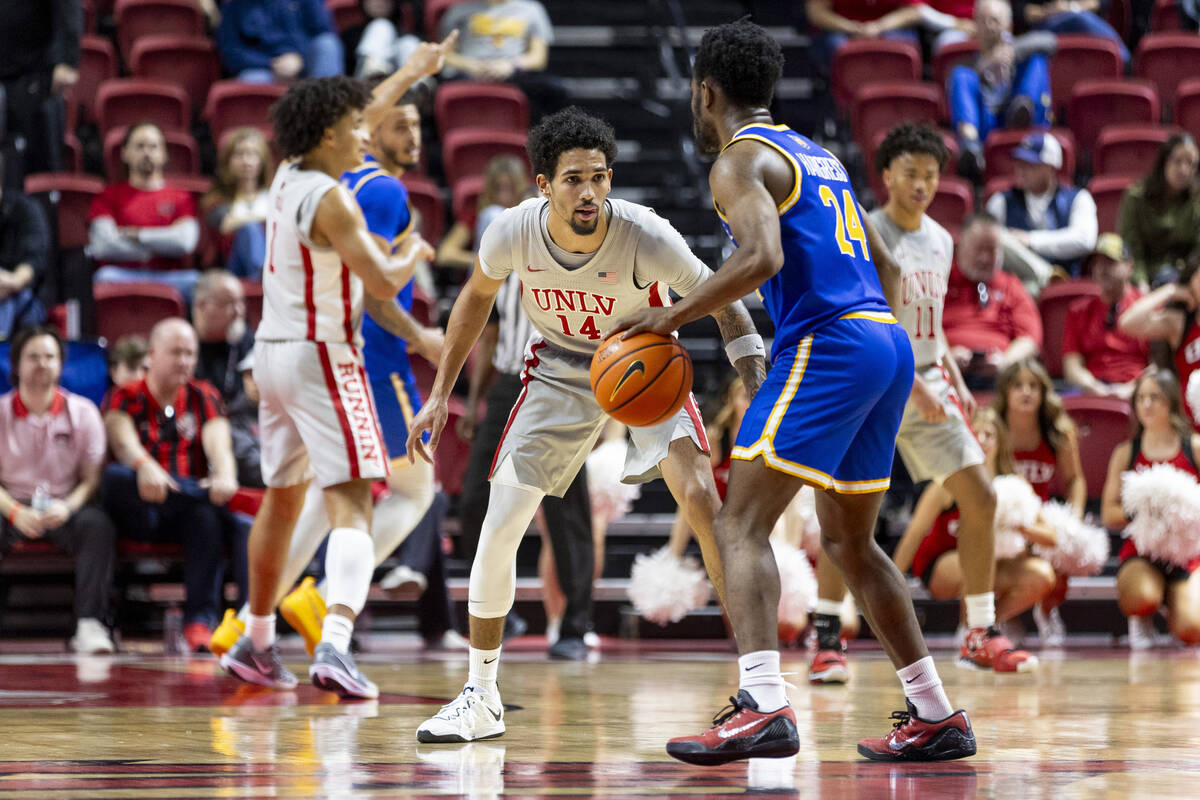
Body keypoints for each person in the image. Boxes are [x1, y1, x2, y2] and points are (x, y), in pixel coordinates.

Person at [610, 20, 976, 765]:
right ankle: (937, 714)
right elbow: (887, 263)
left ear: (704, 92)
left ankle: (763, 704)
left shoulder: (738, 161)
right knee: (849, 540)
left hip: (831, 343)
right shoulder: (819, 155)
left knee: (738, 524)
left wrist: (674, 314)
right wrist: (887, 342)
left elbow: (762, 254)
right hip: (884, 340)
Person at [406, 104, 765, 743]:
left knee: (704, 502)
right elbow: (473, 304)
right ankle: (480, 695)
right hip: (558, 371)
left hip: (642, 361)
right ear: (543, 185)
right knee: (501, 521)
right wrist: (440, 393)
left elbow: (726, 303)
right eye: (575, 178)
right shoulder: (511, 231)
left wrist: (756, 381)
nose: (591, 191)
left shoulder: (645, 234)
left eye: (600, 177)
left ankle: (762, 688)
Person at [208, 48, 453, 660]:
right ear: (337, 133)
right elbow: (375, 287)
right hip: (348, 357)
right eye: (396, 122)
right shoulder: (371, 194)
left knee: (299, 499)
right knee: (399, 492)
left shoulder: (293, 170)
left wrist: (412, 71)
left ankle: (248, 628)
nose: (373, 130)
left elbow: (360, 108)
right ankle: (329, 617)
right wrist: (414, 270)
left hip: (277, 349)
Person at [813, 122, 1032, 684]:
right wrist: (914, 382)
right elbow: (870, 318)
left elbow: (926, 322)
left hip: (931, 376)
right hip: (874, 377)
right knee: (847, 513)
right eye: (910, 173)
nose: (921, 184)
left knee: (980, 497)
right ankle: (827, 638)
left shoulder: (941, 237)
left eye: (931, 176)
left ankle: (979, 633)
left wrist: (952, 375)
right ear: (886, 175)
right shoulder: (862, 229)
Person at [102, 317, 244, 652]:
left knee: (206, 518)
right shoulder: (125, 395)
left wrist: (225, 474)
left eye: (190, 354)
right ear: (151, 355)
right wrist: (144, 466)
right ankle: (196, 494)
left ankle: (199, 623)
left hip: (184, 511)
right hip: (139, 506)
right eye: (175, 352)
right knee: (115, 478)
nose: (184, 361)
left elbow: (219, 446)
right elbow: (122, 442)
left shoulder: (202, 395)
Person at [893, 406, 1056, 659]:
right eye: (975, 433)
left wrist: (1020, 525)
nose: (982, 440)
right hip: (942, 565)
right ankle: (967, 628)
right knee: (979, 557)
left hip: (994, 566)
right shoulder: (948, 482)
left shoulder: (1014, 484)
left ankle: (987, 629)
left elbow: (1051, 537)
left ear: (1000, 441)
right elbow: (914, 534)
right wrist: (890, 588)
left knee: (1042, 575)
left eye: (989, 434)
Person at [0, 325, 116, 654]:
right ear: (16, 364)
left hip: (64, 505)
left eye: (49, 356)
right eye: (33, 357)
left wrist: (68, 506)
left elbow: (91, 479)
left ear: (61, 364)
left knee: (98, 525)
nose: (42, 364)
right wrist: (15, 511)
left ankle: (90, 624)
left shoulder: (83, 412)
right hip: (11, 504)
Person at [1101, 367, 1200, 649]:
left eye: (1154, 397)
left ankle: (1176, 601)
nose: (1146, 405)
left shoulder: (1194, 447)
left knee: (1193, 630)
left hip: (1188, 553)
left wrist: (1182, 511)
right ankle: (1146, 610)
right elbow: (1109, 513)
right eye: (1141, 398)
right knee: (1142, 597)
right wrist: (1148, 513)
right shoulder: (1125, 452)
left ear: (1170, 401)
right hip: (1142, 550)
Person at [991, 358, 1085, 645]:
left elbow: (1075, 480)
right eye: (1018, 385)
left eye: (1033, 386)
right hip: (1002, 520)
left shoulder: (1057, 430)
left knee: (1061, 545)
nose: (1026, 392)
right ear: (1005, 393)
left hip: (1040, 518)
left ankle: (1048, 609)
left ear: (1044, 393)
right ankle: (1006, 617)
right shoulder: (993, 429)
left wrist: (1075, 517)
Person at [87, 123, 201, 304]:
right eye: (139, 146)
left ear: (164, 154)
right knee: (103, 277)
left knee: (198, 282)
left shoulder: (181, 198)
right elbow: (103, 246)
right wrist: (162, 245)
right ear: (125, 152)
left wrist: (136, 235)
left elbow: (185, 243)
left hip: (171, 278)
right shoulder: (107, 196)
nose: (147, 152)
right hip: (121, 276)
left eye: (153, 146)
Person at [949, 0, 1052, 177]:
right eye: (983, 20)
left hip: (1021, 117)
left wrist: (1012, 51)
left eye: (994, 20)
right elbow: (958, 83)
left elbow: (1051, 42)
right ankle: (970, 147)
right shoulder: (968, 64)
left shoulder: (1021, 51)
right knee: (961, 76)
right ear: (975, 25)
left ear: (1008, 25)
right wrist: (986, 64)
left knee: (1036, 60)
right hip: (986, 123)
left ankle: (1022, 108)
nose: (989, 26)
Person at [942, 214, 1042, 389]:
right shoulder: (940, 281)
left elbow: (1030, 339)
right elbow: (923, 332)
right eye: (978, 249)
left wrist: (1005, 361)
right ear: (961, 247)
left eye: (991, 250)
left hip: (1001, 378)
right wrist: (947, 357)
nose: (985, 258)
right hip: (945, 373)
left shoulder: (1011, 285)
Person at [985, 132, 1098, 278]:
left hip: (1065, 287)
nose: (1021, 170)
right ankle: (1047, 276)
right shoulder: (1001, 201)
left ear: (1051, 168)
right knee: (996, 236)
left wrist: (1031, 240)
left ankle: (1048, 278)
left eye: (1030, 165)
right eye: (1019, 163)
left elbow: (1085, 240)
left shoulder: (1079, 198)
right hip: (1018, 286)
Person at [191, 271, 262, 488]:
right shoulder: (183, 345)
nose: (239, 311)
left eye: (241, 302)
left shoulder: (247, 340)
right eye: (229, 304)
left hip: (244, 430)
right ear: (202, 305)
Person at [438, 0, 565, 120]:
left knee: (554, 90)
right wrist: (472, 66)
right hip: (468, 73)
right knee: (435, 90)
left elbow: (538, 58)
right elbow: (445, 55)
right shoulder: (458, 10)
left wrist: (511, 66)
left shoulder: (532, 9)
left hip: (514, 72)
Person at [1062, 234, 1149, 400]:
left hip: (1138, 391)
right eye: (1096, 263)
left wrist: (1132, 389)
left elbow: (1158, 366)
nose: (1101, 269)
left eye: (1109, 262)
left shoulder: (1146, 307)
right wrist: (1095, 387)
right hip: (1092, 390)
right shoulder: (1078, 310)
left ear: (1130, 266)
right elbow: (1071, 367)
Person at [0, 0, 78, 182]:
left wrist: (67, 60)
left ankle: (41, 207)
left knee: (39, 162)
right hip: (5, 72)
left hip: (33, 75)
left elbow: (68, 11)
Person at [1119, 259, 1200, 428]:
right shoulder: (1180, 323)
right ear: (1190, 282)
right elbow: (1127, 323)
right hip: (1190, 432)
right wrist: (1170, 290)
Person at [1117, 133, 1200, 289]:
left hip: (1186, 281)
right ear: (1164, 161)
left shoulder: (1196, 201)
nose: (1184, 169)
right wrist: (1142, 284)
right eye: (1178, 161)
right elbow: (1132, 249)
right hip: (1144, 278)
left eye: (1191, 164)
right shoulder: (1137, 196)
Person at [437, 155, 531, 272]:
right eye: (498, 188)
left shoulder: (530, 215)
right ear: (490, 189)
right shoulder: (477, 215)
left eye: (510, 188)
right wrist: (485, 261)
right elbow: (445, 254)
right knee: (493, 213)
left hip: (520, 279)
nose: (504, 196)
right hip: (484, 279)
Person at [202, 128, 274, 280]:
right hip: (231, 270)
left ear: (262, 160)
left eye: (252, 154)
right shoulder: (217, 199)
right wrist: (267, 217)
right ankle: (260, 274)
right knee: (249, 229)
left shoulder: (274, 197)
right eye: (239, 154)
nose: (246, 161)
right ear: (228, 161)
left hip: (274, 261)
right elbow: (226, 224)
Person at [216, 0, 345, 84]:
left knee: (327, 45)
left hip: (304, 61)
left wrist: (299, 59)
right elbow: (231, 51)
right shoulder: (234, 6)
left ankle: (328, 113)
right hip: (263, 69)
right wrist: (271, 64)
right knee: (251, 80)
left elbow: (324, 30)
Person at [0, 153, 49, 338]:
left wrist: (12, 281)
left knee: (20, 302)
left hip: (17, 293)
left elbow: (33, 260)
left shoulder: (25, 209)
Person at [1017, 0, 1129, 64]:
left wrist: (1070, 7)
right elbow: (1022, 11)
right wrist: (1050, 11)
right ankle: (1125, 60)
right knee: (1080, 19)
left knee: (1081, 18)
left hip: (1082, 25)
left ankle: (1122, 58)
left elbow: (1097, 3)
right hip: (1046, 25)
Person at [350, 0, 422, 78]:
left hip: (400, 85)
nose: (380, 2)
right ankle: (374, 74)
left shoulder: (405, 34)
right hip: (360, 86)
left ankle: (417, 83)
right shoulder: (350, 34)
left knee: (409, 42)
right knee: (382, 26)